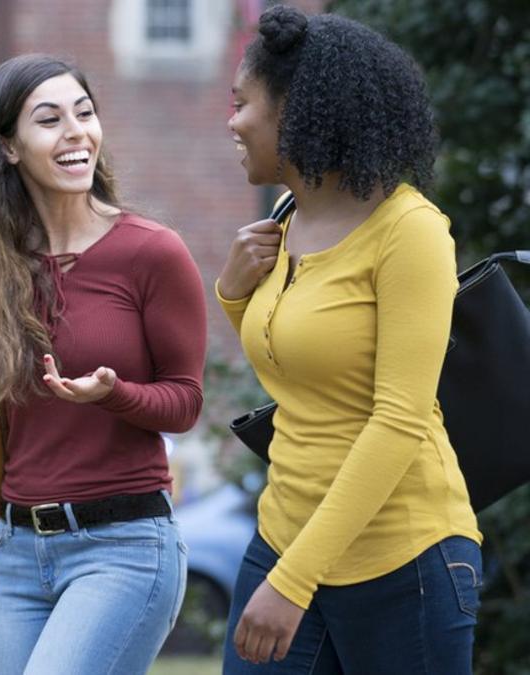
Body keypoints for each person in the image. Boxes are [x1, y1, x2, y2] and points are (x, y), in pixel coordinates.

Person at [0, 54, 207, 675]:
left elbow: (185, 402)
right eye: (50, 120)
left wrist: (113, 393)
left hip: (124, 550)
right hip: (17, 555)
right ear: (10, 148)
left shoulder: (152, 253)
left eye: (85, 112)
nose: (76, 131)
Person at [218, 6, 482, 672]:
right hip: (283, 534)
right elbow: (294, 365)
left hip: (403, 558)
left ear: (295, 111)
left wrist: (294, 580)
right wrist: (232, 291)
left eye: (242, 102)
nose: (233, 122)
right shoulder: (284, 222)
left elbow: (399, 419)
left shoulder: (409, 232)